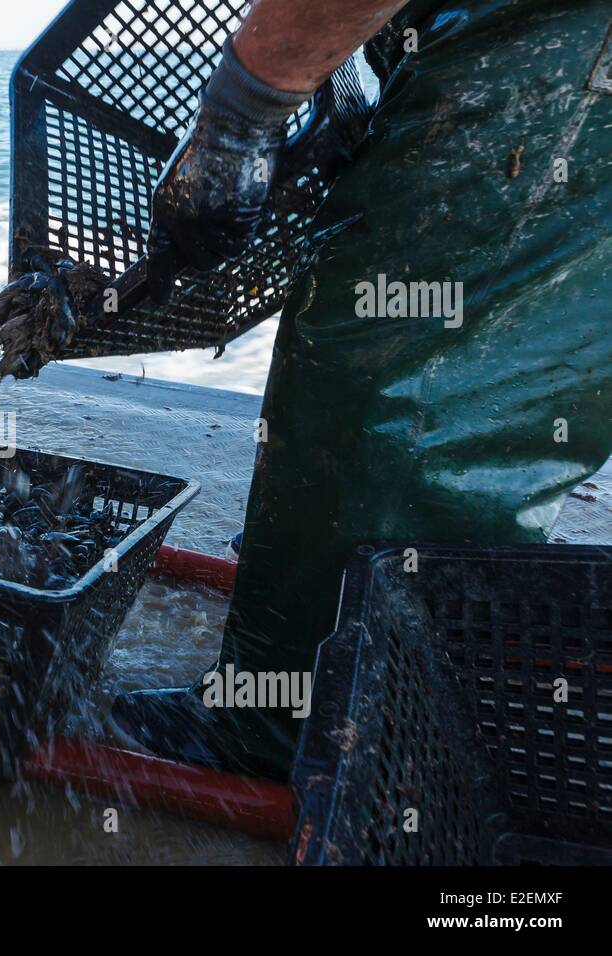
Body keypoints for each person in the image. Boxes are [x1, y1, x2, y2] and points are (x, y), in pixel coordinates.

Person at [107, 0, 612, 778]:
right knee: (535, 353)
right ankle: (406, 638)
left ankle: (293, 726)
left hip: (551, 60)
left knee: (378, 358)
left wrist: (243, 111)